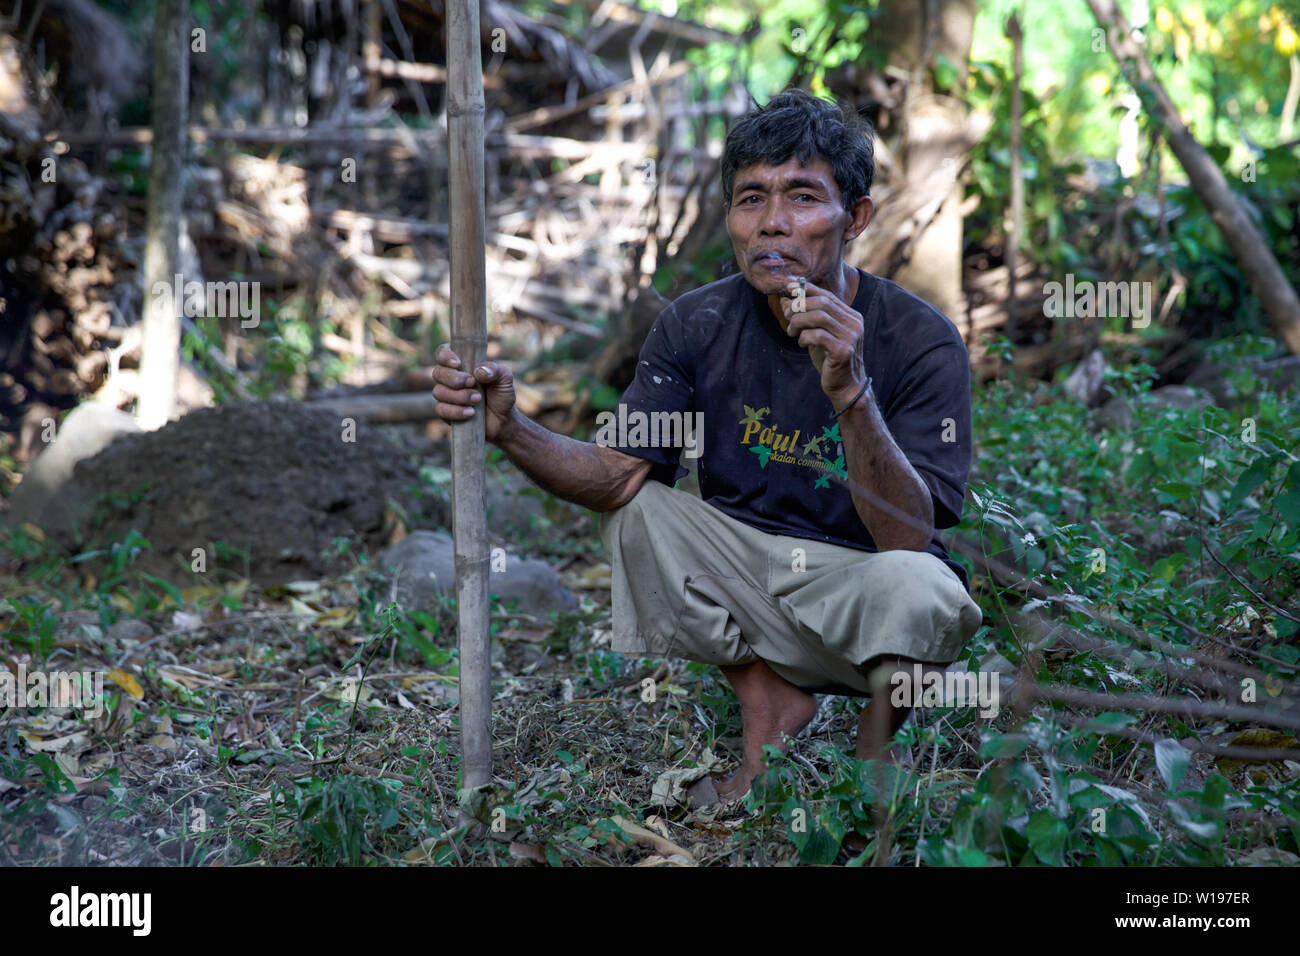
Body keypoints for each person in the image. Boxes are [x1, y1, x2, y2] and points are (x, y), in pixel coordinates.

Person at [433, 88, 983, 804]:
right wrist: (510, 429)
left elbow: (908, 536)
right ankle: (768, 710)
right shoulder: (697, 323)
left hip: (861, 587)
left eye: (802, 198)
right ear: (729, 218)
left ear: (855, 218)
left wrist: (849, 390)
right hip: (747, 572)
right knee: (639, 514)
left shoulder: (919, 338)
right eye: (750, 199)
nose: (772, 225)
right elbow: (613, 475)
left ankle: (873, 766)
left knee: (923, 587)